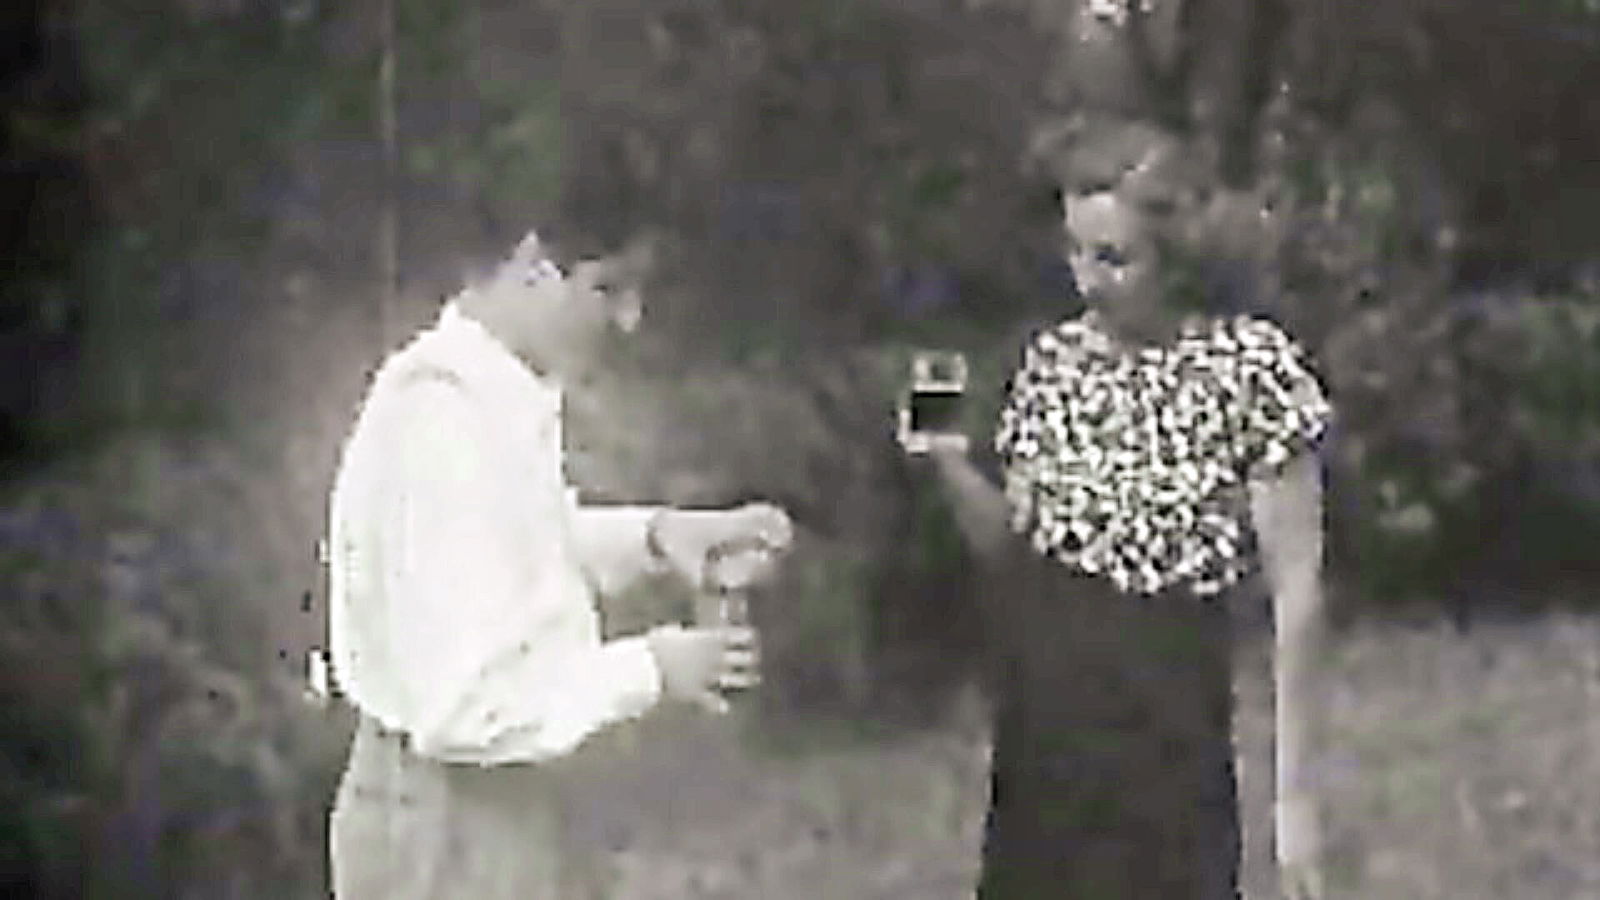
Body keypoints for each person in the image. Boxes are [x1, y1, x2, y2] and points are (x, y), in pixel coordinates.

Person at [921, 116, 1333, 898]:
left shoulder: (1250, 371)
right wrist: (944, 464)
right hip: (1045, 723)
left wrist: (1296, 796)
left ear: (1178, 254)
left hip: (1165, 722)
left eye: (1114, 259)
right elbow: (1015, 550)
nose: (1088, 280)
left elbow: (1298, 596)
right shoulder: (1053, 364)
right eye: (1075, 253)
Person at [324, 228, 794, 899]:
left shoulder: (496, 394)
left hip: (506, 799)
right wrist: (654, 667)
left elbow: (513, 547)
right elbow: (464, 708)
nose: (629, 319)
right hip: (450, 824)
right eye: (609, 287)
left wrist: (658, 536)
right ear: (529, 261)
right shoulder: (442, 418)